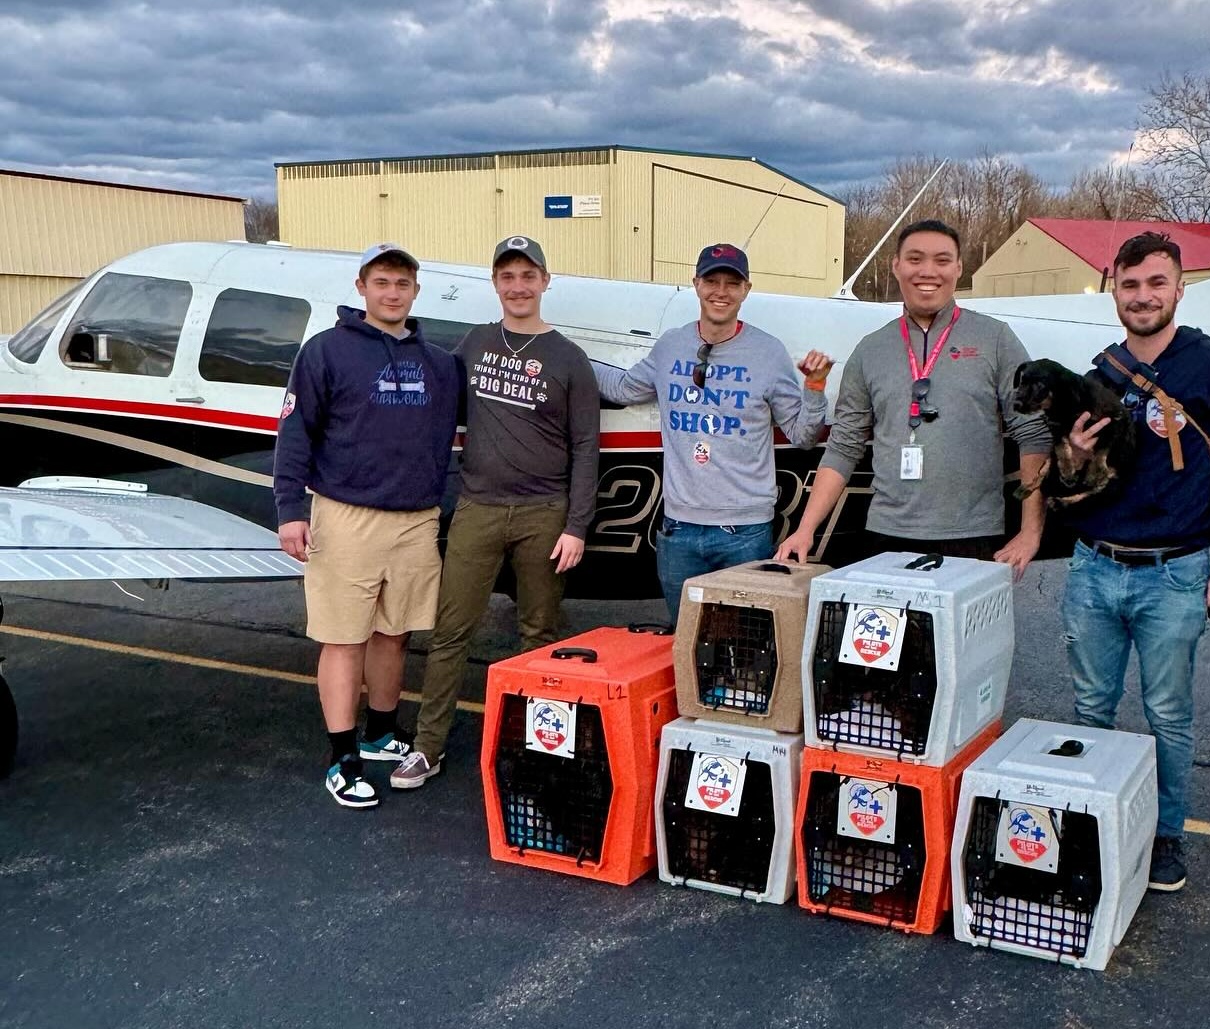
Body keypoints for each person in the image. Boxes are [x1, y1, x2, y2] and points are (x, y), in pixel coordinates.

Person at [1058, 231, 1210, 892]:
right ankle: (1091, 821)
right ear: (1113, 291)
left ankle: (1165, 837)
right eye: (1130, 285)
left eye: (1156, 283)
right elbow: (1071, 486)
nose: (1143, 296)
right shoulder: (1096, 376)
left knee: (1168, 715)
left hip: (1177, 571)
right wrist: (1072, 449)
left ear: (1180, 288)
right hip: (1093, 566)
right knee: (1091, 705)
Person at [392, 235, 600, 790]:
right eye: (508, 277)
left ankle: (541, 753)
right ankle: (427, 747)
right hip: (478, 508)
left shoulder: (569, 358)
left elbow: (586, 447)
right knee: (450, 631)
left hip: (544, 513)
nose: (518, 287)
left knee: (539, 634)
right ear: (496, 284)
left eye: (528, 276)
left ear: (545, 282)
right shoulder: (475, 344)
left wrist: (577, 524)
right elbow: (433, 403)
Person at [273, 243, 462, 809]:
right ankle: (341, 756)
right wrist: (289, 510)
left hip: (416, 518)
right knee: (344, 637)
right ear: (361, 287)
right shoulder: (325, 351)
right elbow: (295, 431)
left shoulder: (439, 364)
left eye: (402, 284)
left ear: (415, 291)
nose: (392, 292)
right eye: (381, 282)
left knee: (395, 632)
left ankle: (380, 731)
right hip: (346, 515)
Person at [775, 219, 1050, 573]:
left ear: (959, 268)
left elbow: (1033, 436)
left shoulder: (995, 339)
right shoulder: (870, 350)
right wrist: (805, 529)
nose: (928, 271)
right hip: (885, 535)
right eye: (916, 259)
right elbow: (843, 446)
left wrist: (1030, 532)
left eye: (942, 260)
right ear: (897, 265)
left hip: (972, 536)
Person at [593, 242, 834, 623]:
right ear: (696, 284)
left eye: (732, 283)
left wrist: (816, 387)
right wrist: (566, 357)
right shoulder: (672, 345)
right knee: (686, 643)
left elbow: (803, 435)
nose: (721, 292)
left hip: (745, 532)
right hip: (678, 531)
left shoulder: (768, 353)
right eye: (712, 281)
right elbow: (624, 388)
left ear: (746, 290)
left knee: (747, 646)